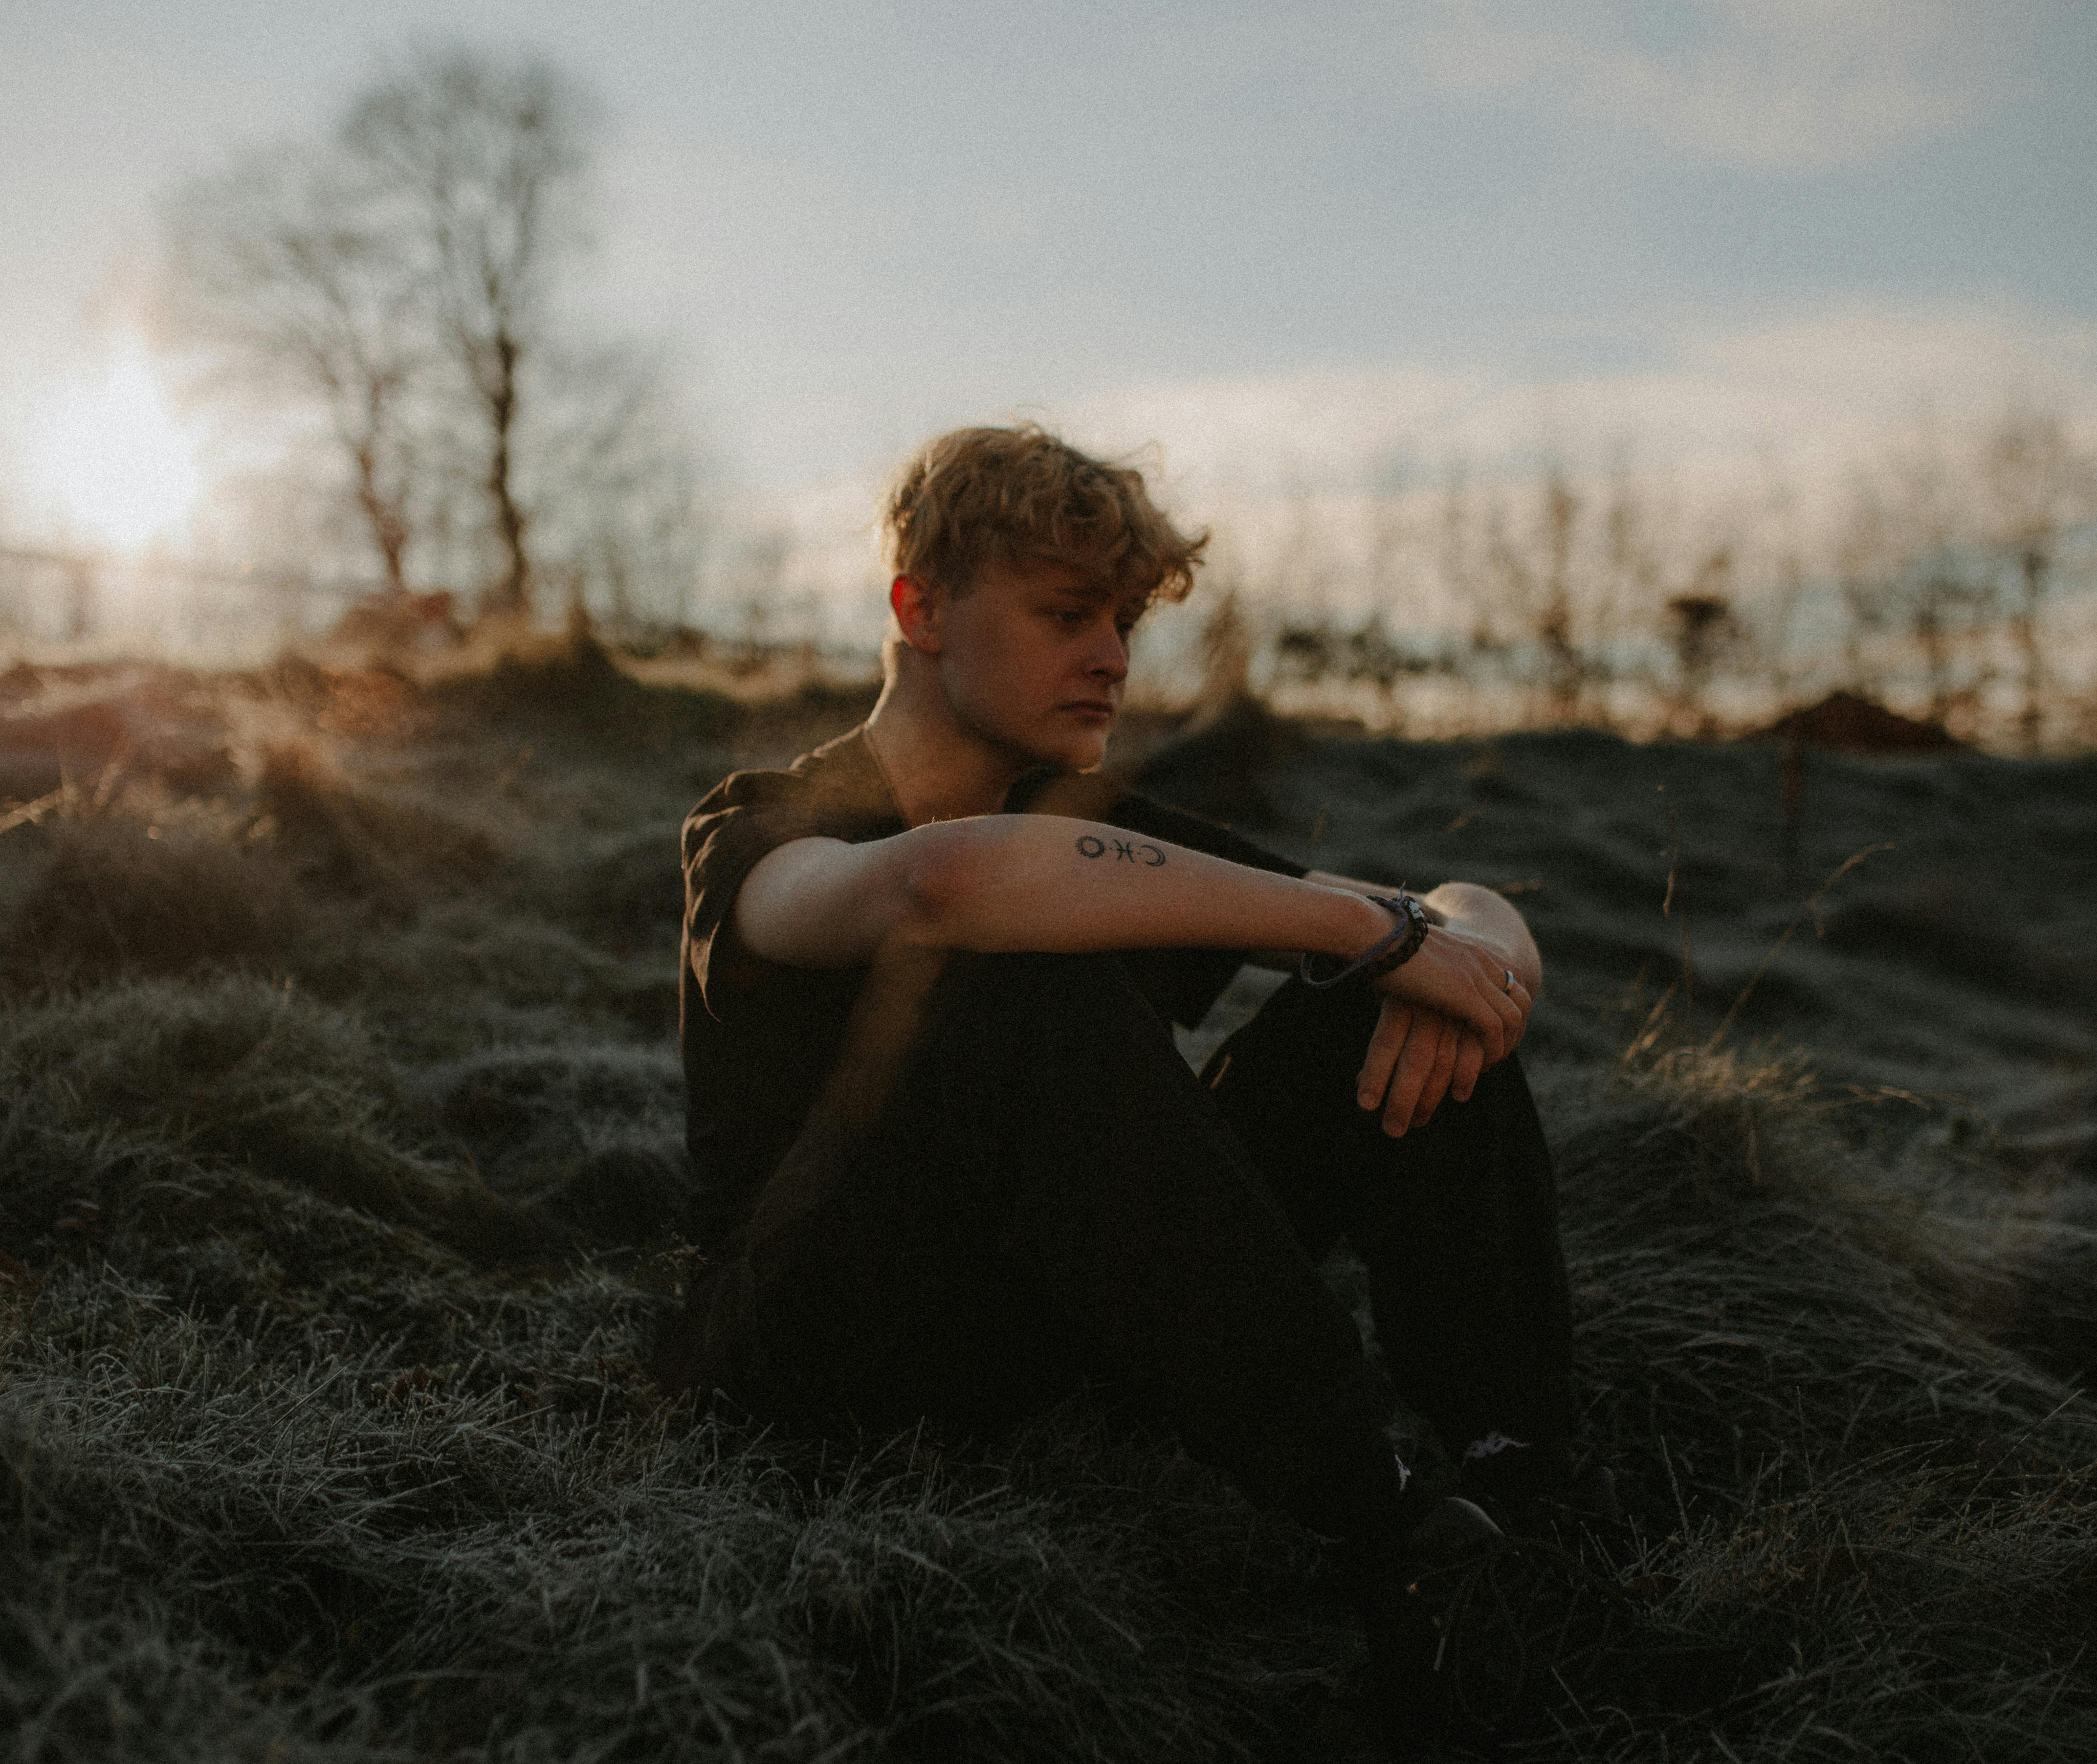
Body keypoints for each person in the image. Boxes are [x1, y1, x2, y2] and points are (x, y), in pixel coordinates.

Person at [655, 424, 1593, 1726]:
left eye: (1124, 621)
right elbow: (946, 882)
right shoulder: (762, 824)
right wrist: (1368, 938)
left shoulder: (1086, 824)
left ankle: (1528, 1500)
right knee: (998, 963)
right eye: (1063, 613)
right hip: (819, 1352)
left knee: (1387, 1005)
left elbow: (1460, 907)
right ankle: (1391, 1525)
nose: (1111, 657)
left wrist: (1449, 955)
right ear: (918, 610)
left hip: (1042, 1311)